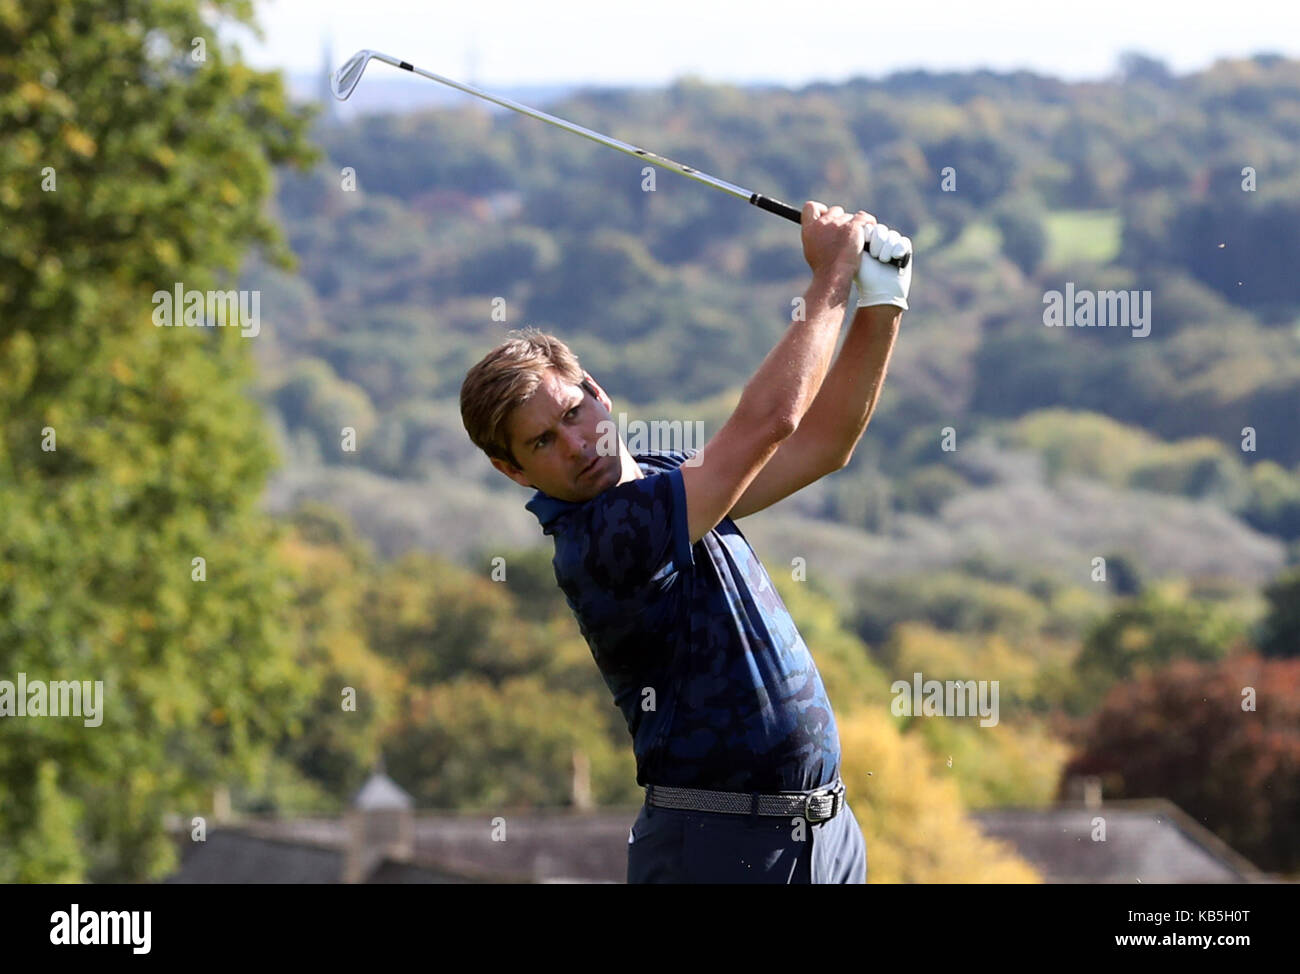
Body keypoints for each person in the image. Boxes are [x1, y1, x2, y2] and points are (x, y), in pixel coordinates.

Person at [459, 202, 912, 882]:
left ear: (597, 392)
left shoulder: (667, 479)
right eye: (543, 442)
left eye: (574, 413)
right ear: (512, 469)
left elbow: (822, 444)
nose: (578, 445)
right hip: (722, 847)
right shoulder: (604, 539)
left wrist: (884, 301)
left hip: (822, 833)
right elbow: (770, 423)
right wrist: (832, 279)